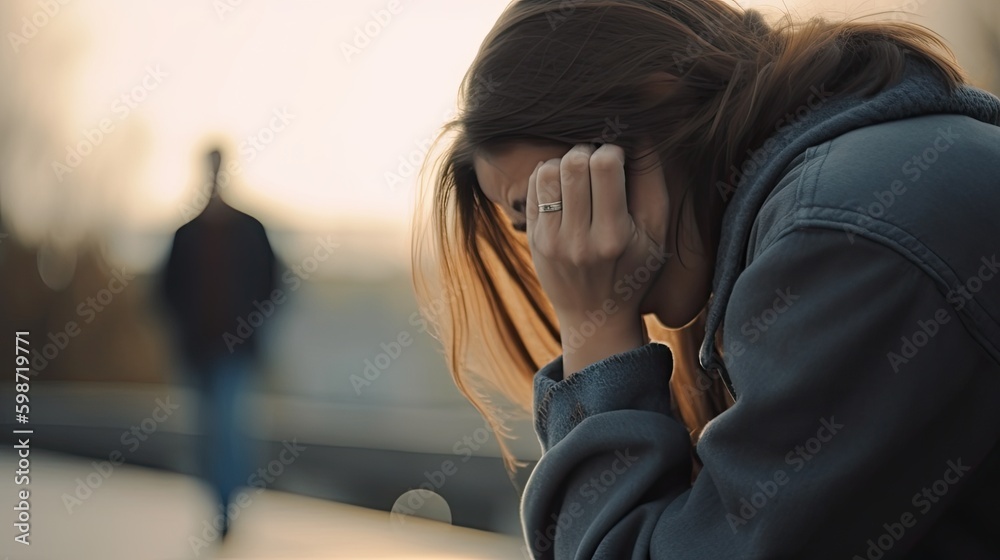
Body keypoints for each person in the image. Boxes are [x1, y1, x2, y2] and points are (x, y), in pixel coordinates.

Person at [413, 1, 1000, 557]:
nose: (565, 258)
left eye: (555, 203)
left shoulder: (841, 236)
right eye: (534, 229)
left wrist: (596, 338)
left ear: (659, 99)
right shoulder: (864, 186)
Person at [161, 148, 277, 539]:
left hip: (235, 352)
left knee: (227, 430)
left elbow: (273, 284)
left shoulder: (249, 230)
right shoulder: (187, 233)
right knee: (208, 434)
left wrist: (252, 327)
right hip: (199, 352)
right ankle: (220, 504)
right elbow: (166, 291)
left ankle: (227, 509)